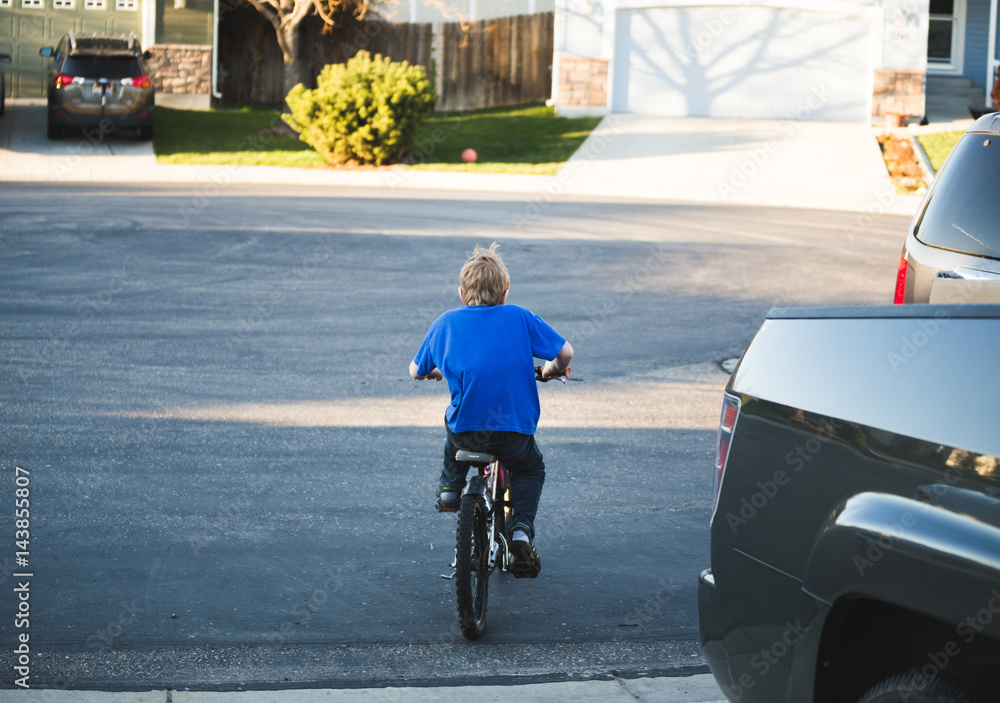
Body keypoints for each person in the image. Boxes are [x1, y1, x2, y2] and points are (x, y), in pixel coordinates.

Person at [409, 243, 573, 577]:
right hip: (513, 432)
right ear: (504, 294)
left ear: (461, 294)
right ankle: (521, 531)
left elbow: (415, 370)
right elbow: (566, 352)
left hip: (468, 433)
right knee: (529, 470)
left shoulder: (446, 323)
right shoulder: (519, 317)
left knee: (452, 424)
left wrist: (435, 369)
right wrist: (552, 370)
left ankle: (450, 488)